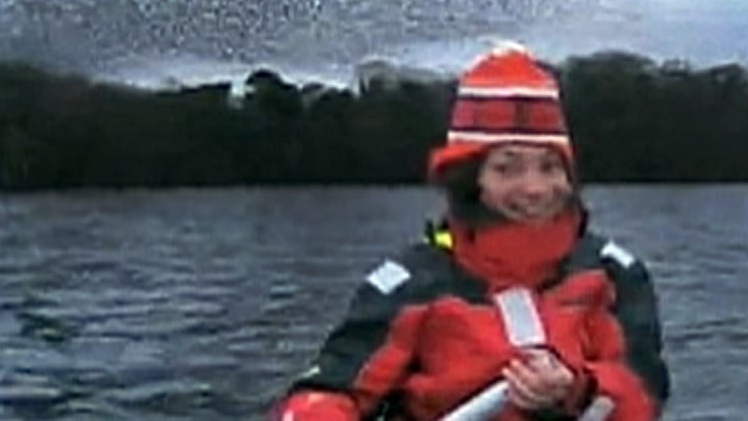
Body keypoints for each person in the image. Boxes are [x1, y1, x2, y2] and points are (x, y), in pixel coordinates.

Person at [272, 43, 670, 421]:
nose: (534, 188)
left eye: (550, 167)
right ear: (469, 179)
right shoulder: (409, 286)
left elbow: (643, 396)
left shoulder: (614, 274)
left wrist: (576, 391)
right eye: (507, 168)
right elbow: (327, 392)